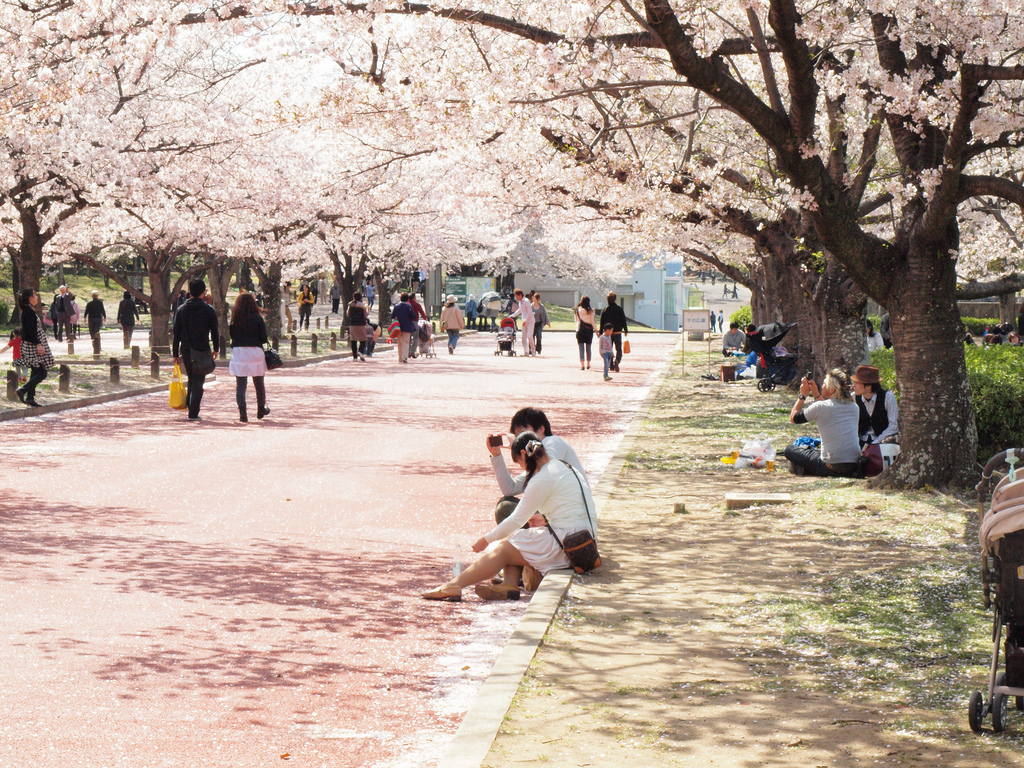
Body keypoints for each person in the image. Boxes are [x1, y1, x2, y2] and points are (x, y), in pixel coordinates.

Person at [423, 431, 597, 602]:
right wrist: (545, 519)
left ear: (523, 454)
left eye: (519, 462)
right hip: (585, 541)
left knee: (505, 548)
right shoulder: (564, 466)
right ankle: (509, 585)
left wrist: (486, 539)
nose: (522, 467)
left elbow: (516, 520)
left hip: (567, 547)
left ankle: (455, 585)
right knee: (518, 539)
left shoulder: (542, 478)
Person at [783, 368, 862, 477]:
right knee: (813, 451)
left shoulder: (820, 407)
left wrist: (803, 395)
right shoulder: (854, 407)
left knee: (789, 450)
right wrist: (816, 394)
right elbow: (830, 410)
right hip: (853, 465)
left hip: (830, 466)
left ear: (831, 390)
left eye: (824, 384)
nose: (822, 386)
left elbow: (794, 418)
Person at [172, 279, 220, 422]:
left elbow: (176, 333)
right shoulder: (209, 309)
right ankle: (193, 411)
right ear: (203, 292)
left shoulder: (181, 309)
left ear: (189, 292)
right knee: (199, 379)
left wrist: (175, 353)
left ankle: (191, 405)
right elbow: (215, 331)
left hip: (186, 349)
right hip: (202, 348)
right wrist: (216, 348)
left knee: (192, 378)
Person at [228, 292, 270, 423]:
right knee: (259, 383)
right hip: (255, 351)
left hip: (239, 351)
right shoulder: (258, 318)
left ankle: (243, 413)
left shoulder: (234, 319)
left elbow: (232, 336)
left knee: (241, 385)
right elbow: (263, 338)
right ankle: (260, 409)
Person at [16, 289, 54, 407]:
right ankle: (23, 390)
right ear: (30, 298)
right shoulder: (28, 311)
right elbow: (30, 331)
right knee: (42, 372)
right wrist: (38, 344)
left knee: (35, 371)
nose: (37, 297)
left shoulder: (28, 310)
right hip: (33, 345)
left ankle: (30, 398)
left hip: (33, 343)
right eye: (35, 295)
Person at [851, 364, 899, 446]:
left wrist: (876, 442)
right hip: (860, 443)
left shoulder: (888, 397)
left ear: (868, 386)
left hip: (884, 444)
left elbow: (894, 425)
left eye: (857, 383)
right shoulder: (853, 397)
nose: (853, 385)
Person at [600, 292, 628, 372]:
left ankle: (611, 365)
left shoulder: (605, 310)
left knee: (609, 349)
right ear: (615, 299)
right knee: (618, 349)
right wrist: (625, 329)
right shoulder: (619, 309)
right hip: (618, 332)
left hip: (608, 333)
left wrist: (600, 331)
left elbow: (602, 321)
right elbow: (623, 319)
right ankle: (617, 361)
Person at [390, 292, 417, 364]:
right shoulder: (409, 306)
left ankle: (400, 357)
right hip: (407, 326)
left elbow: (392, 316)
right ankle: (405, 357)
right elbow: (413, 316)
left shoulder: (396, 306)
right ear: (407, 299)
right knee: (406, 342)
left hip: (398, 327)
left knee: (400, 342)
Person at [508, 289, 535, 356]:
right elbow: (520, 311)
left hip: (530, 321)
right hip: (524, 321)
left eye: (517, 296)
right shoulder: (520, 302)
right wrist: (512, 315)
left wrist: (526, 320)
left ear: (520, 295)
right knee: (523, 338)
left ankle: (533, 349)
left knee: (529, 336)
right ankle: (526, 352)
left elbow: (529, 312)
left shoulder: (526, 301)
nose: (516, 298)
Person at [575, 295, 596, 370]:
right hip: (589, 331)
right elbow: (593, 322)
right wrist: (596, 331)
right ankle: (588, 363)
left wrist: (577, 329)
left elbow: (576, 321)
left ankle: (582, 365)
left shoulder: (577, 310)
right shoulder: (591, 311)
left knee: (581, 347)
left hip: (580, 330)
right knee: (588, 347)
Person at [347, 292, 369, 361]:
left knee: (353, 340)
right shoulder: (362, 305)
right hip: (361, 324)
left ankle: (355, 357)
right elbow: (365, 315)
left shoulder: (350, 305)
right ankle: (360, 351)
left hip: (353, 324)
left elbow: (348, 314)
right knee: (363, 340)